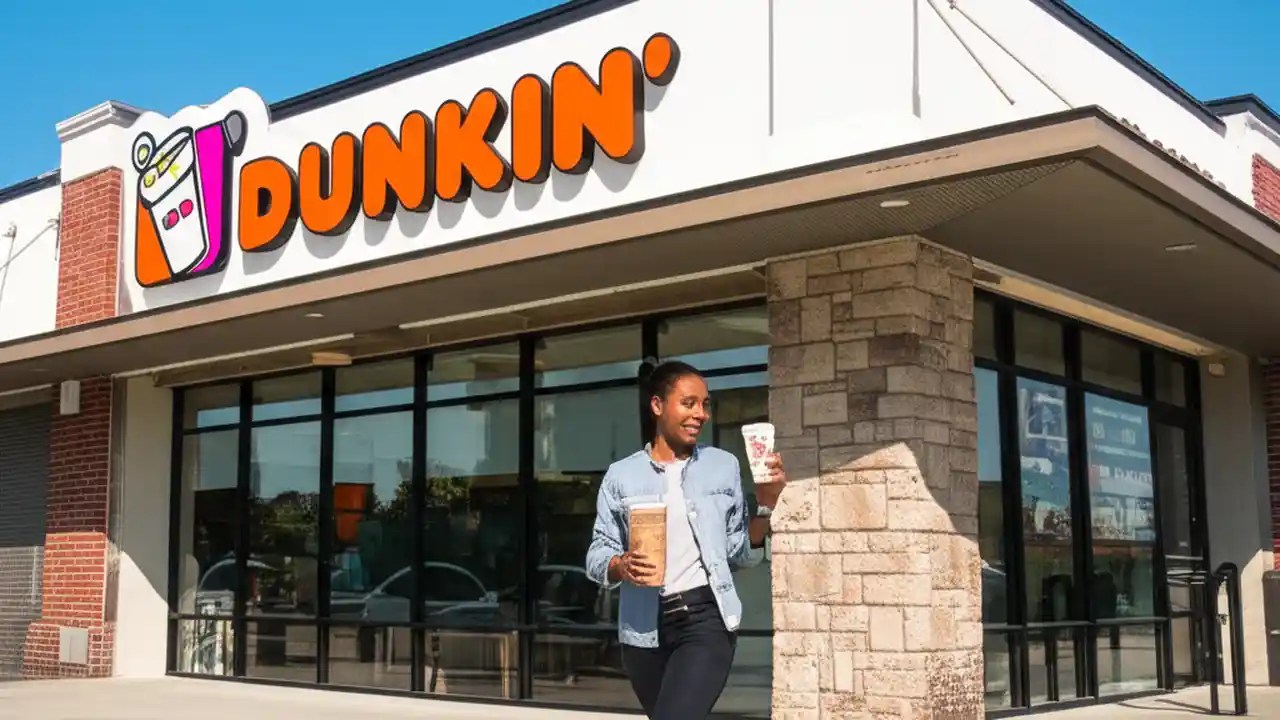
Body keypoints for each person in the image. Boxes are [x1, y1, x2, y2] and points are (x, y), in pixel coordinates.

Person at [585, 359, 787, 719]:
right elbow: (598, 553)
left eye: (705, 404)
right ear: (658, 405)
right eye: (689, 403)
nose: (701, 414)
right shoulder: (622, 476)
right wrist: (620, 565)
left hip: (705, 620)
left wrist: (767, 504)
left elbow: (740, 553)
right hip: (643, 628)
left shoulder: (723, 466)